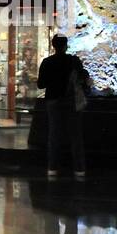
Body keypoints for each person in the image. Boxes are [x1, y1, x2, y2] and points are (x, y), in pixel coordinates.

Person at [36, 33, 88, 179]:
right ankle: (79, 169)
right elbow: (83, 76)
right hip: (71, 101)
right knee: (76, 135)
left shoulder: (47, 62)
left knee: (54, 135)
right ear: (66, 45)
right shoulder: (73, 61)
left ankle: (52, 168)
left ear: (53, 45)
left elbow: (41, 84)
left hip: (53, 101)